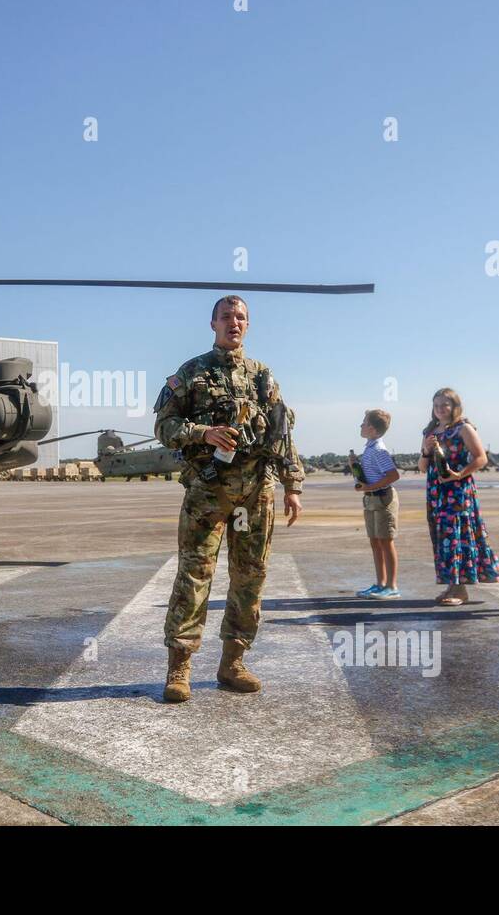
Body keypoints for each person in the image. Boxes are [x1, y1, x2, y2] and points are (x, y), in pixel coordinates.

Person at [153, 295, 304, 702]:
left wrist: (293, 485)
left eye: (240, 317)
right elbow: (164, 426)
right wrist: (204, 433)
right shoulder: (193, 372)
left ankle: (233, 662)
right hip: (208, 493)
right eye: (226, 317)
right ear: (213, 323)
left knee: (249, 578)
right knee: (194, 577)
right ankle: (179, 667)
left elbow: (281, 433)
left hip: (256, 494)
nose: (233, 323)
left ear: (248, 325)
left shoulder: (262, 376)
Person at [420, 388, 499, 605]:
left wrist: (459, 474)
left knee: (457, 536)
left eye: (445, 404)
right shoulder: (430, 431)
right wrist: (426, 451)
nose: (440, 409)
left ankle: (458, 589)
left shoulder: (463, 428)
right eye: (436, 404)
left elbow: (481, 458)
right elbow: (422, 467)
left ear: (454, 406)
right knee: (443, 538)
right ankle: (453, 585)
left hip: (458, 491)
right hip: (436, 492)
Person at [353, 409, 402, 599]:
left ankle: (392, 586)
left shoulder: (379, 450)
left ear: (372, 429)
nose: (361, 425)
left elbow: (393, 475)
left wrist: (370, 486)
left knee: (386, 541)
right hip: (371, 498)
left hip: (383, 498)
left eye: (364, 423)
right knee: (375, 542)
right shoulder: (370, 447)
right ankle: (380, 583)